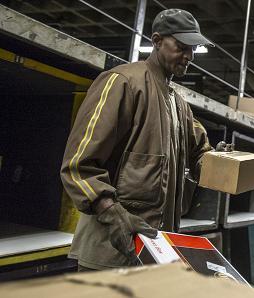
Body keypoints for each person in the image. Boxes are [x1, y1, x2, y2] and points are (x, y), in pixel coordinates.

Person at [60, 9, 213, 271]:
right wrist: (110, 211)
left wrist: (222, 161)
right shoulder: (123, 82)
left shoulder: (179, 104)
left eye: (193, 48)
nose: (189, 56)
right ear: (156, 40)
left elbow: (201, 152)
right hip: (110, 252)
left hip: (153, 252)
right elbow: (78, 165)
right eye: (181, 46)